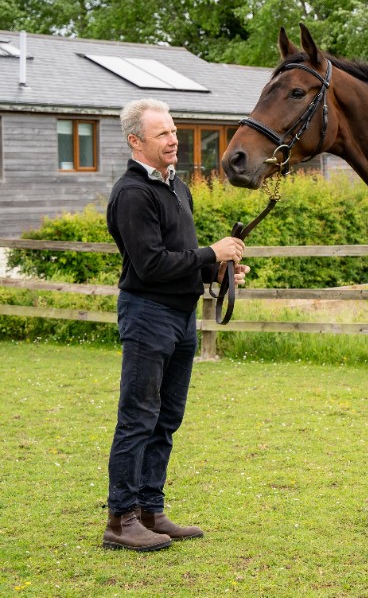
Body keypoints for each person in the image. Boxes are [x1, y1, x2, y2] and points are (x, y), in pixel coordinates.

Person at [103, 98, 250, 552]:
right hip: (147, 316)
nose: (173, 140)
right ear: (136, 142)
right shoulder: (132, 194)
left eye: (173, 131)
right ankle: (120, 519)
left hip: (180, 317)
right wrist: (211, 254)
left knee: (166, 419)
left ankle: (150, 509)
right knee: (137, 419)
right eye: (162, 134)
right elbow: (148, 265)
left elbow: (178, 259)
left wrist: (218, 271)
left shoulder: (176, 187)